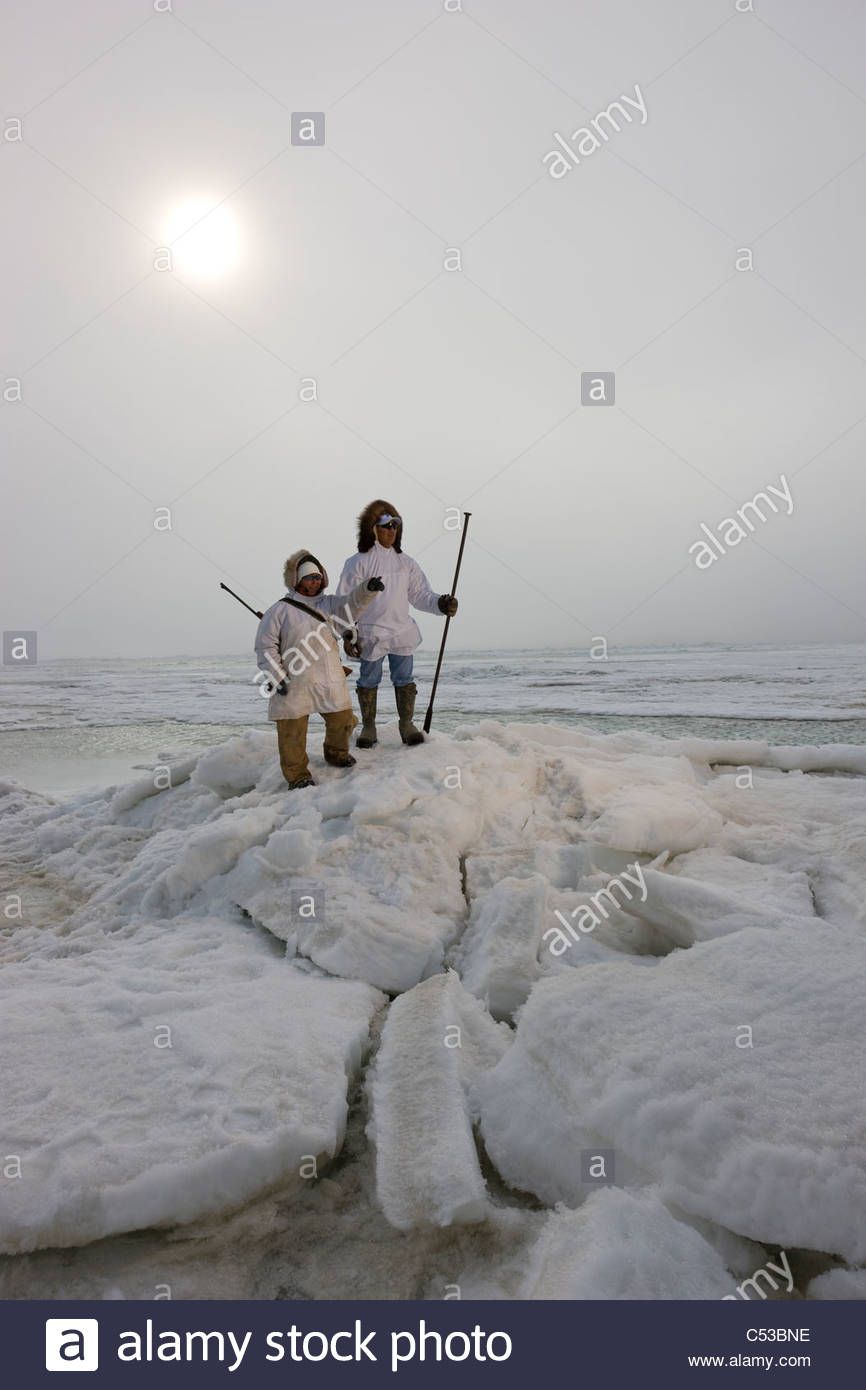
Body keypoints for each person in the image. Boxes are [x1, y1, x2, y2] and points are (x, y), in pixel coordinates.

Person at [254, 549, 384, 789]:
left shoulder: (330, 604)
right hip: (294, 679)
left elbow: (352, 604)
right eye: (308, 578)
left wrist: (368, 589)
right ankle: (297, 775)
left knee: (343, 720)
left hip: (328, 675)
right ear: (297, 581)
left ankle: (336, 753)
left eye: (317, 577)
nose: (314, 582)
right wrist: (276, 675)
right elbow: (265, 646)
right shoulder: (279, 610)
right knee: (291, 731)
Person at [336, 500, 458, 748]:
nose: (392, 530)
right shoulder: (358, 562)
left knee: (404, 679)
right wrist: (349, 632)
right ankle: (369, 727)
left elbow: (421, 595)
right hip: (371, 634)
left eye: (396, 525)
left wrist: (441, 603)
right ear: (373, 528)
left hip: (402, 632)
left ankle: (406, 725)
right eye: (386, 525)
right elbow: (345, 601)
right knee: (368, 681)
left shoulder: (406, 563)